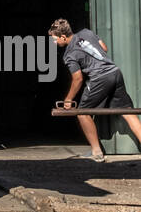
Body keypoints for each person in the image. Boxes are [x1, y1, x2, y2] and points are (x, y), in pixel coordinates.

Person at [48, 18, 141, 162]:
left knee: (83, 113)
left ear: (63, 37)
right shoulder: (86, 33)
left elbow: (78, 78)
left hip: (100, 78)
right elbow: (103, 48)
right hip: (115, 72)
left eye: (55, 39)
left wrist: (68, 99)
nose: (54, 43)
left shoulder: (69, 54)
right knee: (127, 111)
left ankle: (97, 151)